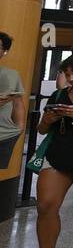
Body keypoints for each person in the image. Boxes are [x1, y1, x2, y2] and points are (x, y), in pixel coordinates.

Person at [12, 47, 73, 248]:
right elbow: (41, 129)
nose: (71, 78)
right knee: (46, 205)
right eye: (68, 74)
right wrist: (48, 119)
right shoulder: (58, 95)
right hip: (59, 153)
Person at [0, 31, 27, 179]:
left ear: (4, 51)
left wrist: (19, 128)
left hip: (4, 135)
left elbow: (17, 102)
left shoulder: (11, 75)